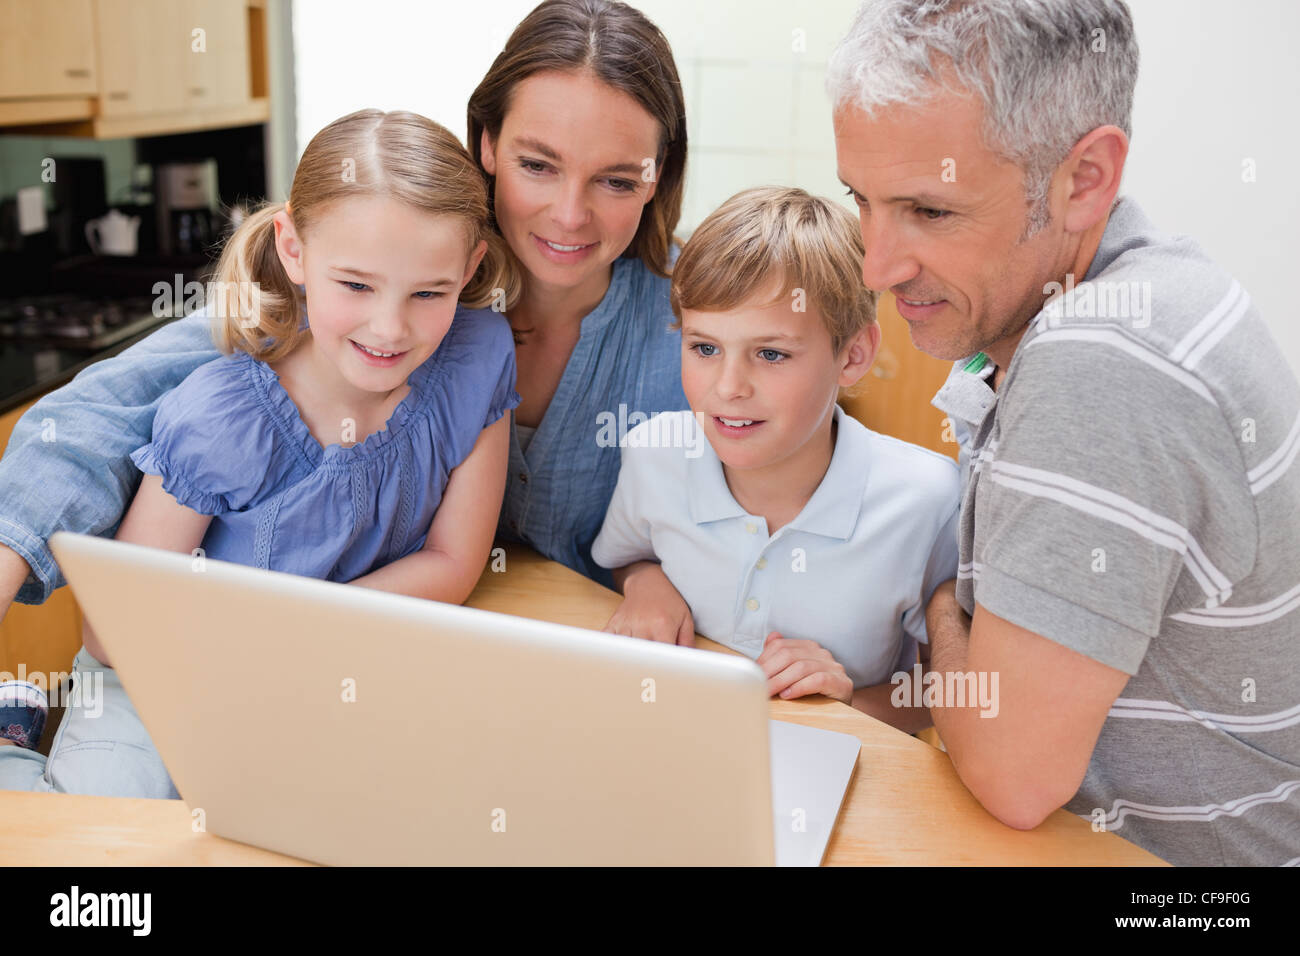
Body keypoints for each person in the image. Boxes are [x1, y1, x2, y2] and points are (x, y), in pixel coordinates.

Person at [0, 1, 694, 649]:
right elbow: (94, 415)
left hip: (577, 656)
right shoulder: (358, 285)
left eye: (617, 180)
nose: (570, 215)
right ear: (486, 144)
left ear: (659, 175)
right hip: (379, 653)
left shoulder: (697, 320)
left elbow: (766, 495)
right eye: (537, 164)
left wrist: (647, 571)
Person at [828, 0, 1300, 865]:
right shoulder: (1132, 294)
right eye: (860, 199)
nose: (876, 266)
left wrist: (941, 606)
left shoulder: (1107, 361)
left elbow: (1012, 774)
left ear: (1084, 180)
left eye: (929, 212)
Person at [0, 109, 521, 796]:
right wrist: (263, 656)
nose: (390, 328)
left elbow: (453, 562)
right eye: (356, 285)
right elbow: (113, 631)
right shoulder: (223, 414)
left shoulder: (479, 357)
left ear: (472, 267)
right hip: (152, 677)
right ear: (295, 249)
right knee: (99, 834)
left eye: (430, 292)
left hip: (327, 663)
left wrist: (297, 649)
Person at [592, 187, 959, 731]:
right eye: (705, 348)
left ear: (853, 355)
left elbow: (949, 690)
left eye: (770, 354)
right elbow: (630, 554)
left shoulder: (926, 500)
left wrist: (848, 703)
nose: (729, 387)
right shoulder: (653, 452)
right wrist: (646, 584)